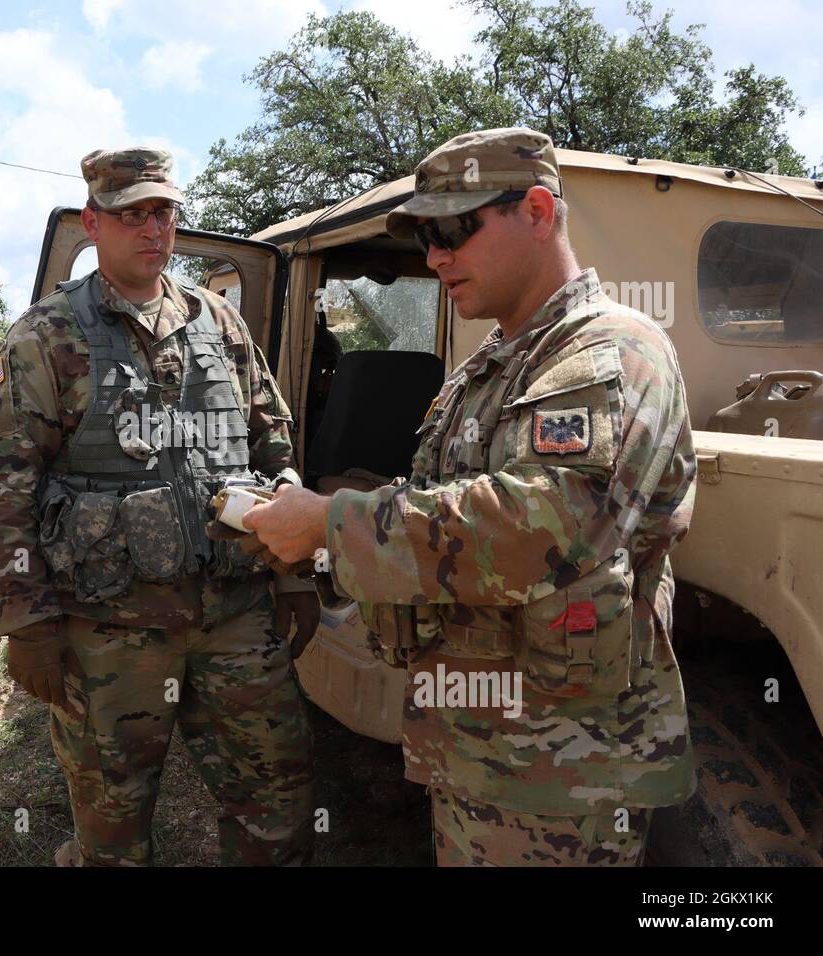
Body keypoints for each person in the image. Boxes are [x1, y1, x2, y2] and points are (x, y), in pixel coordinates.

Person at [241, 128, 696, 866]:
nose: (435, 256)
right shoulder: (489, 366)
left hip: (562, 776)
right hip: (483, 747)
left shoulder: (611, 350)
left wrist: (331, 522)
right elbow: (451, 498)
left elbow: (543, 526)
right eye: (426, 236)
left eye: (455, 227)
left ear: (540, 211)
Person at [0, 147, 317, 866]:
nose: (152, 228)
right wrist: (24, 619)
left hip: (234, 615)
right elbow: (4, 484)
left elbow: (271, 441)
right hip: (109, 631)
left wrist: (293, 568)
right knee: (112, 830)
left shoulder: (219, 323)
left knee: (278, 807)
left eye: (164, 211)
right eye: (132, 214)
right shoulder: (47, 334)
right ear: (93, 223)